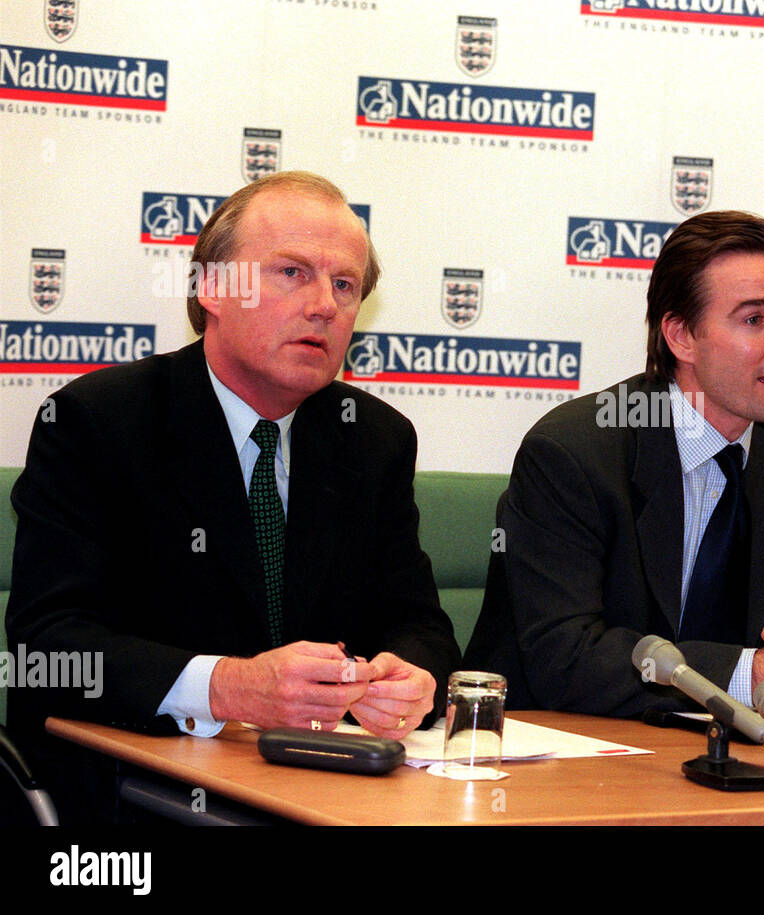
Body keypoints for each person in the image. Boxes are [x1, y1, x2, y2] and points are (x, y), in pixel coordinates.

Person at [7, 172, 461, 817]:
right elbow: (47, 645)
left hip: (328, 789)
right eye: (291, 273)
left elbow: (419, 623)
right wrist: (227, 687)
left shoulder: (373, 438)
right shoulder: (99, 422)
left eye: (344, 285)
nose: (324, 306)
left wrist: (410, 678)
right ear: (212, 288)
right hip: (135, 792)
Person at [464, 210, 764, 715]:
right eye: (755, 319)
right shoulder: (573, 453)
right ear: (681, 336)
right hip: (563, 752)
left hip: (732, 756)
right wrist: (750, 672)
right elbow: (563, 658)